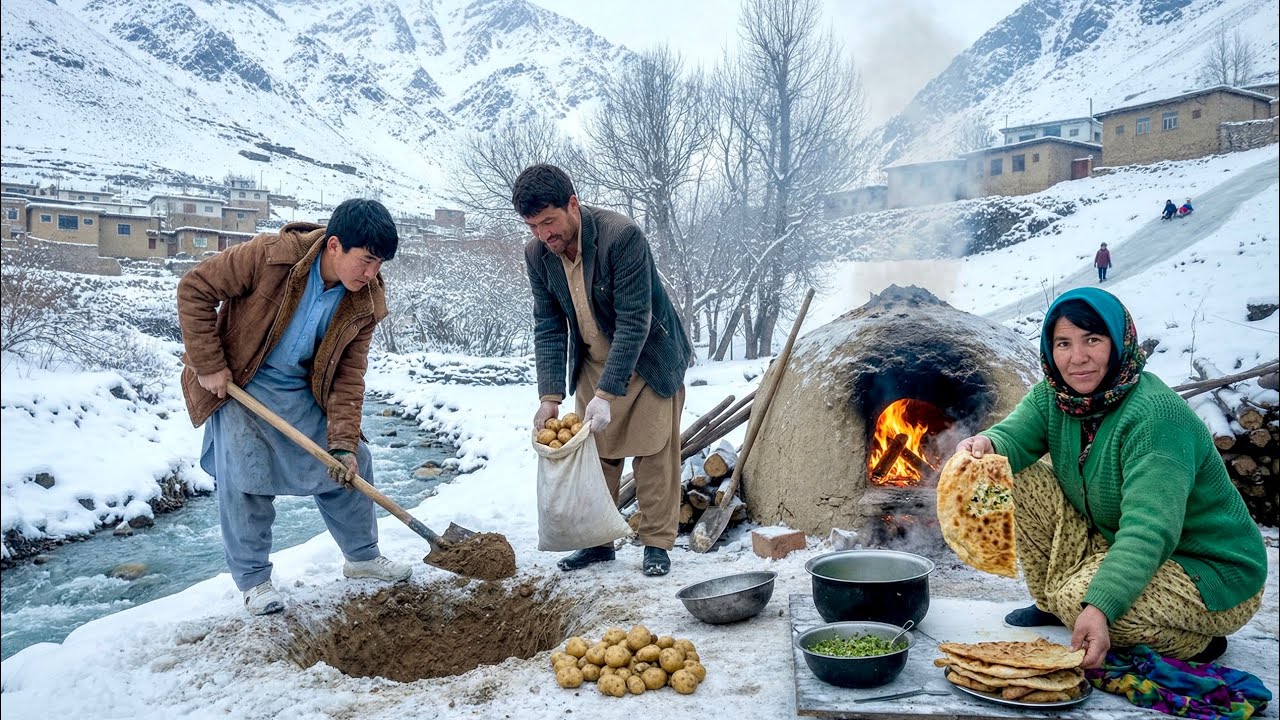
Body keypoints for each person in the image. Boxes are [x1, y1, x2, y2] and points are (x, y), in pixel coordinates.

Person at [954, 287, 1266, 668]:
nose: (1077, 358)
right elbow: (1013, 437)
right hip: (1122, 546)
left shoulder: (1155, 419)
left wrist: (1099, 605)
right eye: (1063, 343)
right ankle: (1051, 603)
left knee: (1080, 602)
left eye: (1092, 340)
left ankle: (1198, 642)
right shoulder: (1057, 396)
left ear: (1119, 343)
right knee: (1005, 472)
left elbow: (1149, 529)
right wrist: (986, 443)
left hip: (1209, 571)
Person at [177, 198, 412, 616]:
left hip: (303, 391)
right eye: (367, 261)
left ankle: (362, 558)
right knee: (245, 477)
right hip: (241, 382)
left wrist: (341, 442)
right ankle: (254, 581)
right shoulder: (269, 256)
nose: (372, 274)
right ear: (335, 245)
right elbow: (194, 288)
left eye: (380, 265)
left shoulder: (364, 300)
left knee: (350, 463)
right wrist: (209, 364)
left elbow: (347, 376)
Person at [513, 163, 693, 577]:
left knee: (653, 455)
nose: (543, 235)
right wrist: (549, 397)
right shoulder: (538, 254)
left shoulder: (620, 236)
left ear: (573, 205)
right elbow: (548, 324)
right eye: (533, 226)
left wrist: (608, 396)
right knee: (594, 456)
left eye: (549, 222)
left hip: (646, 359)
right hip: (594, 362)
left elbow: (635, 321)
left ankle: (656, 543)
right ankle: (597, 543)